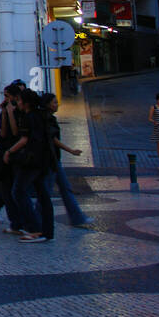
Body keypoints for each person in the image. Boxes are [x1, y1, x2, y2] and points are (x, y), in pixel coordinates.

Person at [1, 88, 54, 243]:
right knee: (43, 194)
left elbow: (24, 139)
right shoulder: (41, 115)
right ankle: (46, 231)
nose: (17, 103)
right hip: (43, 160)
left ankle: (34, 228)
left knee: (18, 190)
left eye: (19, 100)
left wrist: (8, 152)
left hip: (31, 160)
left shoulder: (28, 117)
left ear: (25, 102)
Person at [44, 92, 93, 228]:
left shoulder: (49, 118)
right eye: (54, 102)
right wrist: (71, 150)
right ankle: (33, 220)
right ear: (48, 104)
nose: (56, 105)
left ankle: (77, 217)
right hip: (51, 160)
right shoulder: (47, 119)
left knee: (64, 188)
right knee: (46, 192)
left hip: (54, 160)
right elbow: (54, 140)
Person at [0, 81, 25, 230]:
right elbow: (4, 133)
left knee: (17, 189)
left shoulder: (20, 111)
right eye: (4, 96)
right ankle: (15, 221)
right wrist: (4, 113)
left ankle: (20, 220)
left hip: (17, 152)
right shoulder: (6, 110)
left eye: (7, 96)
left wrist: (10, 112)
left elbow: (16, 132)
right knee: (8, 189)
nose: (5, 98)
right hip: (6, 152)